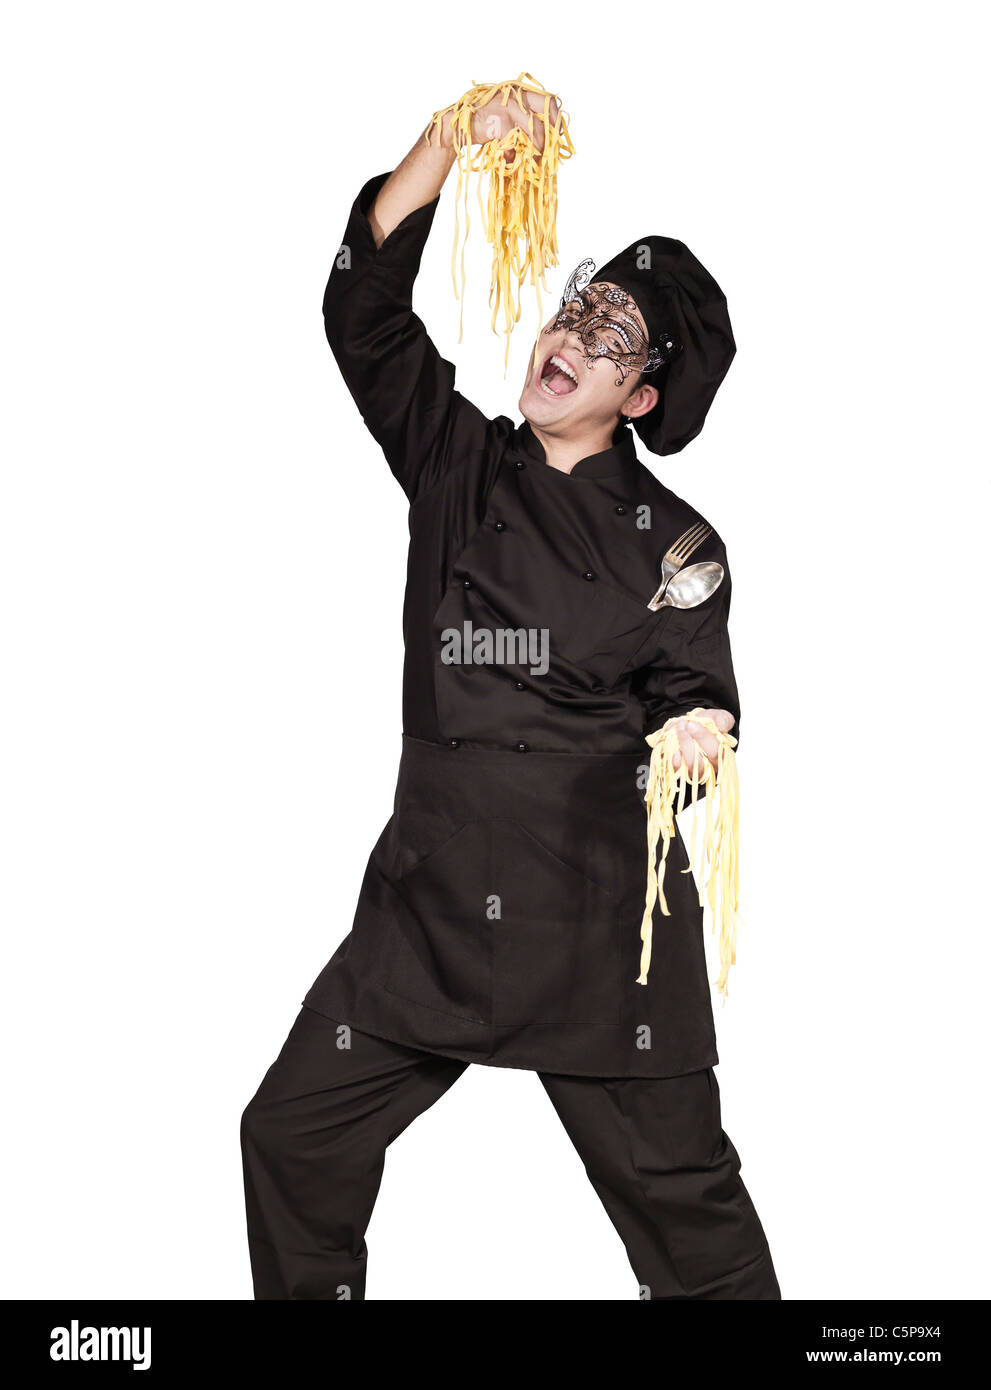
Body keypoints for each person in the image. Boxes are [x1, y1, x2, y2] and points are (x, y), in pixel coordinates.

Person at [239, 89, 781, 1301]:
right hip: (426, 911)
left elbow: (696, 693)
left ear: (641, 398)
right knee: (293, 1138)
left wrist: (696, 730)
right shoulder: (455, 459)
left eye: (612, 337)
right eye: (576, 308)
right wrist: (449, 140)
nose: (573, 337)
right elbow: (364, 315)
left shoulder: (677, 543)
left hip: (595, 928)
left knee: (689, 1220)